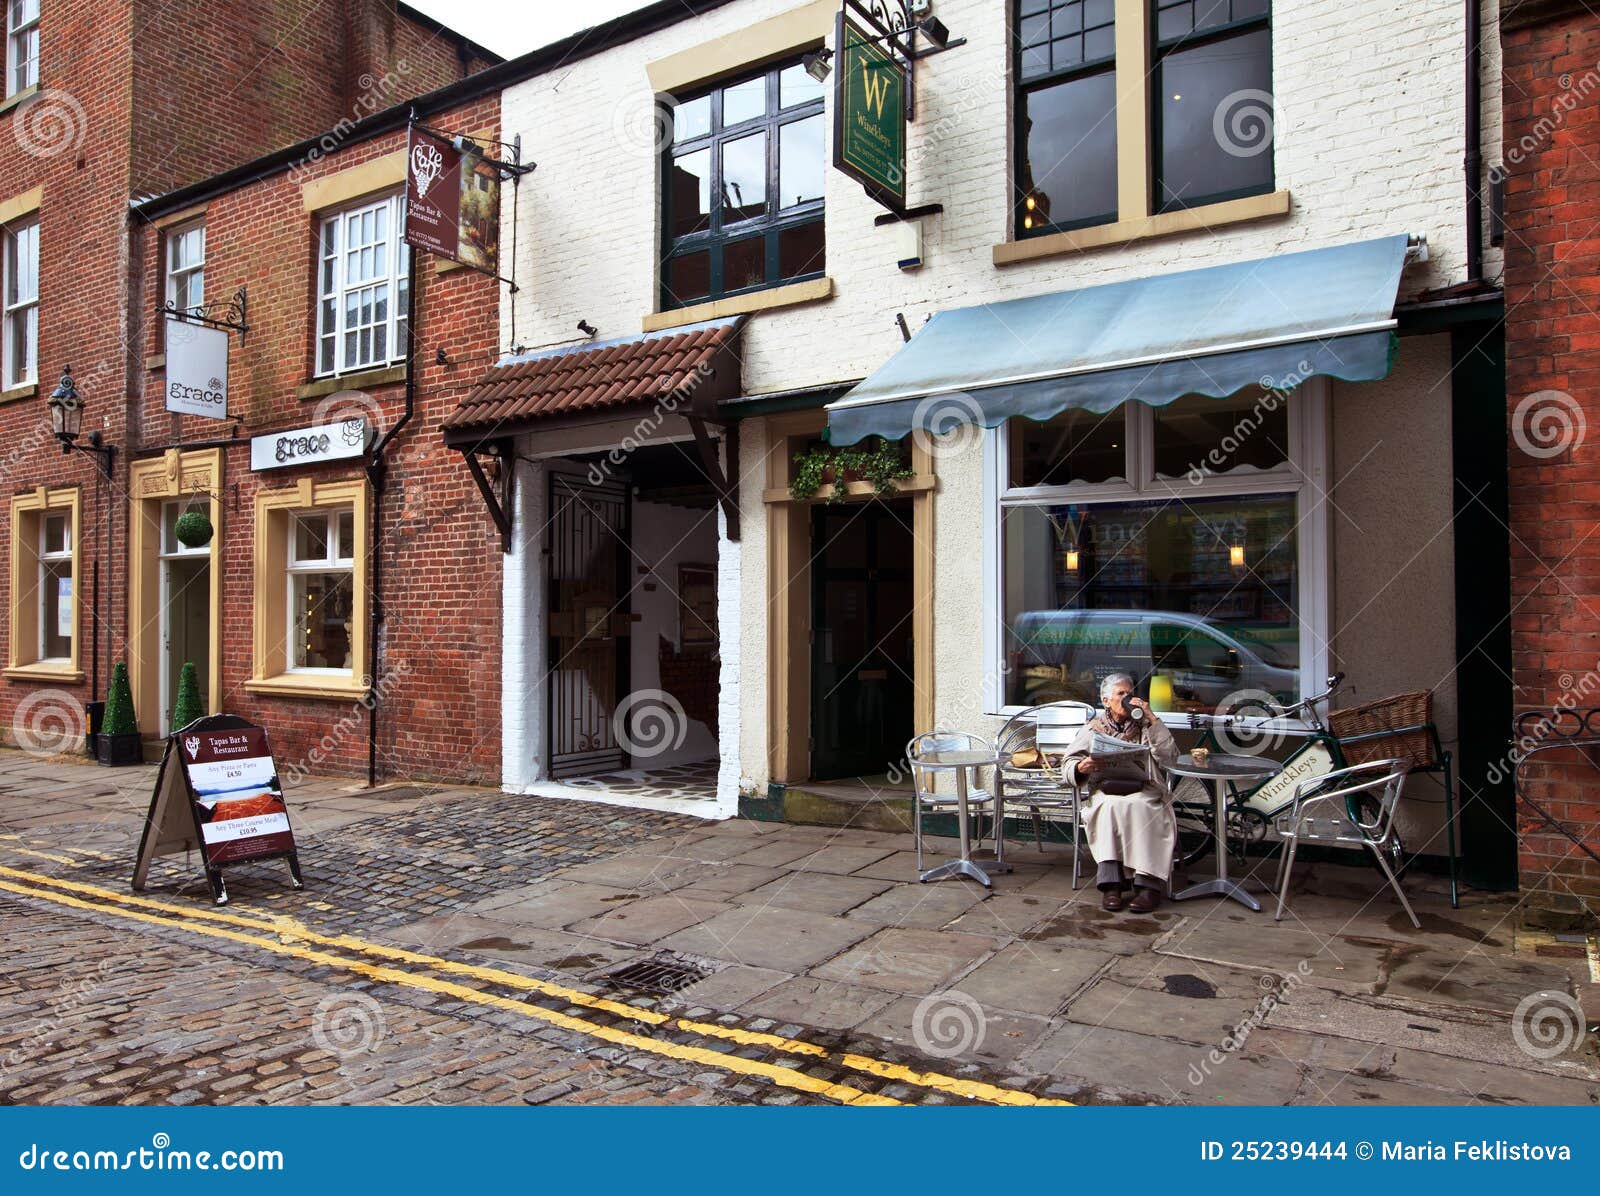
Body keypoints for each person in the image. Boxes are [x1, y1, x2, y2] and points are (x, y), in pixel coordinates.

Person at [1062, 672, 1178, 913]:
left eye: (1130, 693)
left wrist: (1153, 718)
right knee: (1108, 807)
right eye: (1121, 694)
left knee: (1141, 806)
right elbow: (1068, 763)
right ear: (1106, 701)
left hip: (1143, 788)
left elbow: (1171, 758)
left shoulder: (1146, 725)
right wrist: (1080, 767)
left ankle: (1148, 887)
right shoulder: (1094, 728)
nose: (1127, 698)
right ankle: (1111, 885)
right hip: (1107, 788)